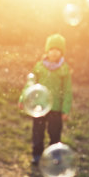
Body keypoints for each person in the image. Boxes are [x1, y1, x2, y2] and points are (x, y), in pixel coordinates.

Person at [19, 33, 72, 165]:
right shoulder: (39, 66)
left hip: (56, 108)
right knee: (37, 132)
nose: (54, 53)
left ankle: (54, 155)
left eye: (58, 50)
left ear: (62, 53)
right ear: (47, 51)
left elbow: (67, 91)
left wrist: (65, 109)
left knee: (55, 133)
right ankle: (37, 155)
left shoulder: (64, 69)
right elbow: (29, 85)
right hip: (39, 106)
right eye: (51, 49)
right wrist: (22, 99)